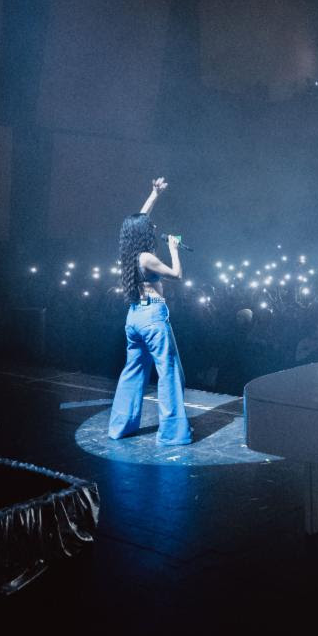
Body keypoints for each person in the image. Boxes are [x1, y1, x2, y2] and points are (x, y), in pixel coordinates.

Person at [107, 177, 193, 446]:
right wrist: (173, 249)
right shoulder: (147, 257)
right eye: (150, 227)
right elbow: (177, 275)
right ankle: (172, 434)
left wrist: (154, 194)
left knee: (133, 372)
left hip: (134, 317)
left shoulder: (128, 253)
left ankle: (120, 427)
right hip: (154, 318)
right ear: (143, 233)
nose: (153, 227)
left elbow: (141, 217)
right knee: (169, 374)